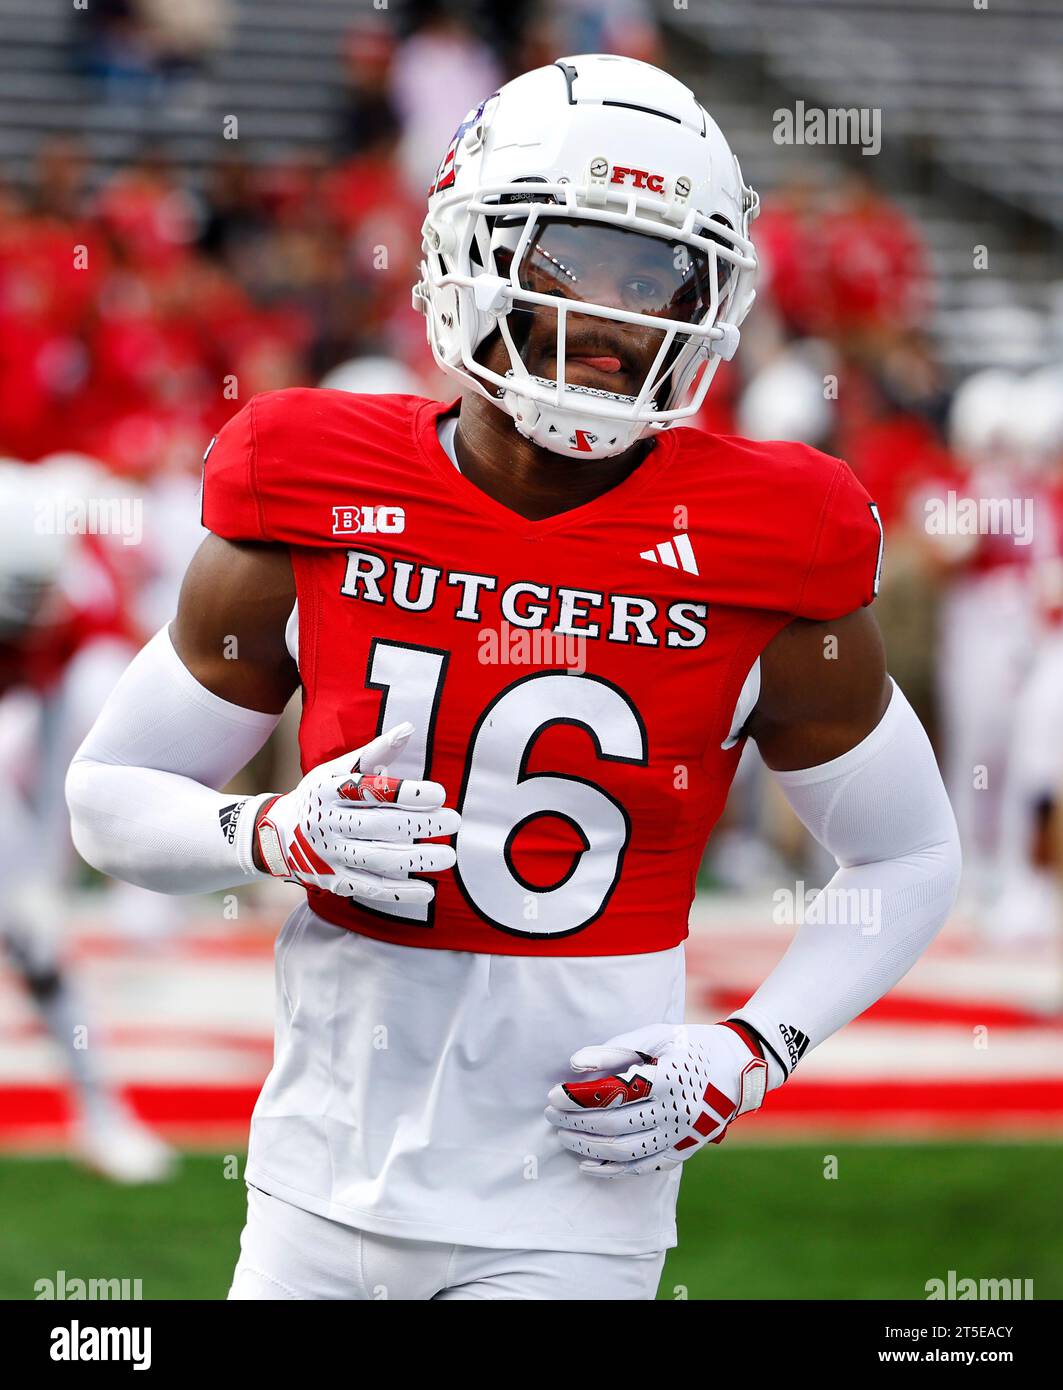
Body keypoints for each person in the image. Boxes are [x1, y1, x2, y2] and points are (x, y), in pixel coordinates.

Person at [67, 55, 960, 1299]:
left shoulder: (774, 533)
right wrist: (266, 830)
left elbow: (909, 853)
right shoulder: (313, 474)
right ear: (472, 253)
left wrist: (754, 1046)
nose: (617, 318)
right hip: (314, 1180)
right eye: (579, 259)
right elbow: (109, 791)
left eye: (660, 274)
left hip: (569, 1204)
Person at [0, 460, 176, 1182]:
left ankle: (99, 1112)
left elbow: (46, 717)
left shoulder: (68, 598)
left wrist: (41, 875)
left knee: (32, 932)